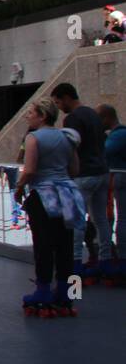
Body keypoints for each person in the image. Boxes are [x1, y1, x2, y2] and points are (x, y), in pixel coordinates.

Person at [15, 98, 85, 316]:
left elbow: (30, 170)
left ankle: (43, 291)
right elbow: (74, 169)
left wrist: (19, 188)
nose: (28, 116)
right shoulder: (67, 137)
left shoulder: (33, 138)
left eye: (31, 112)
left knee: (43, 245)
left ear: (42, 115)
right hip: (67, 194)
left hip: (44, 196)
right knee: (65, 245)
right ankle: (66, 294)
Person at [51, 83, 111, 280]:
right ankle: (105, 260)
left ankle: (75, 266)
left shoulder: (73, 119)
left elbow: (70, 147)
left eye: (58, 102)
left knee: (76, 221)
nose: (59, 107)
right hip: (102, 172)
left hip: (84, 174)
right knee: (101, 219)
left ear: (66, 97)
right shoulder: (93, 114)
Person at [100, 104, 126, 280]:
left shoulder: (119, 135)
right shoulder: (118, 135)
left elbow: (104, 153)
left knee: (122, 218)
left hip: (119, 177)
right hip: (117, 177)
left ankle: (122, 256)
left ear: (107, 118)